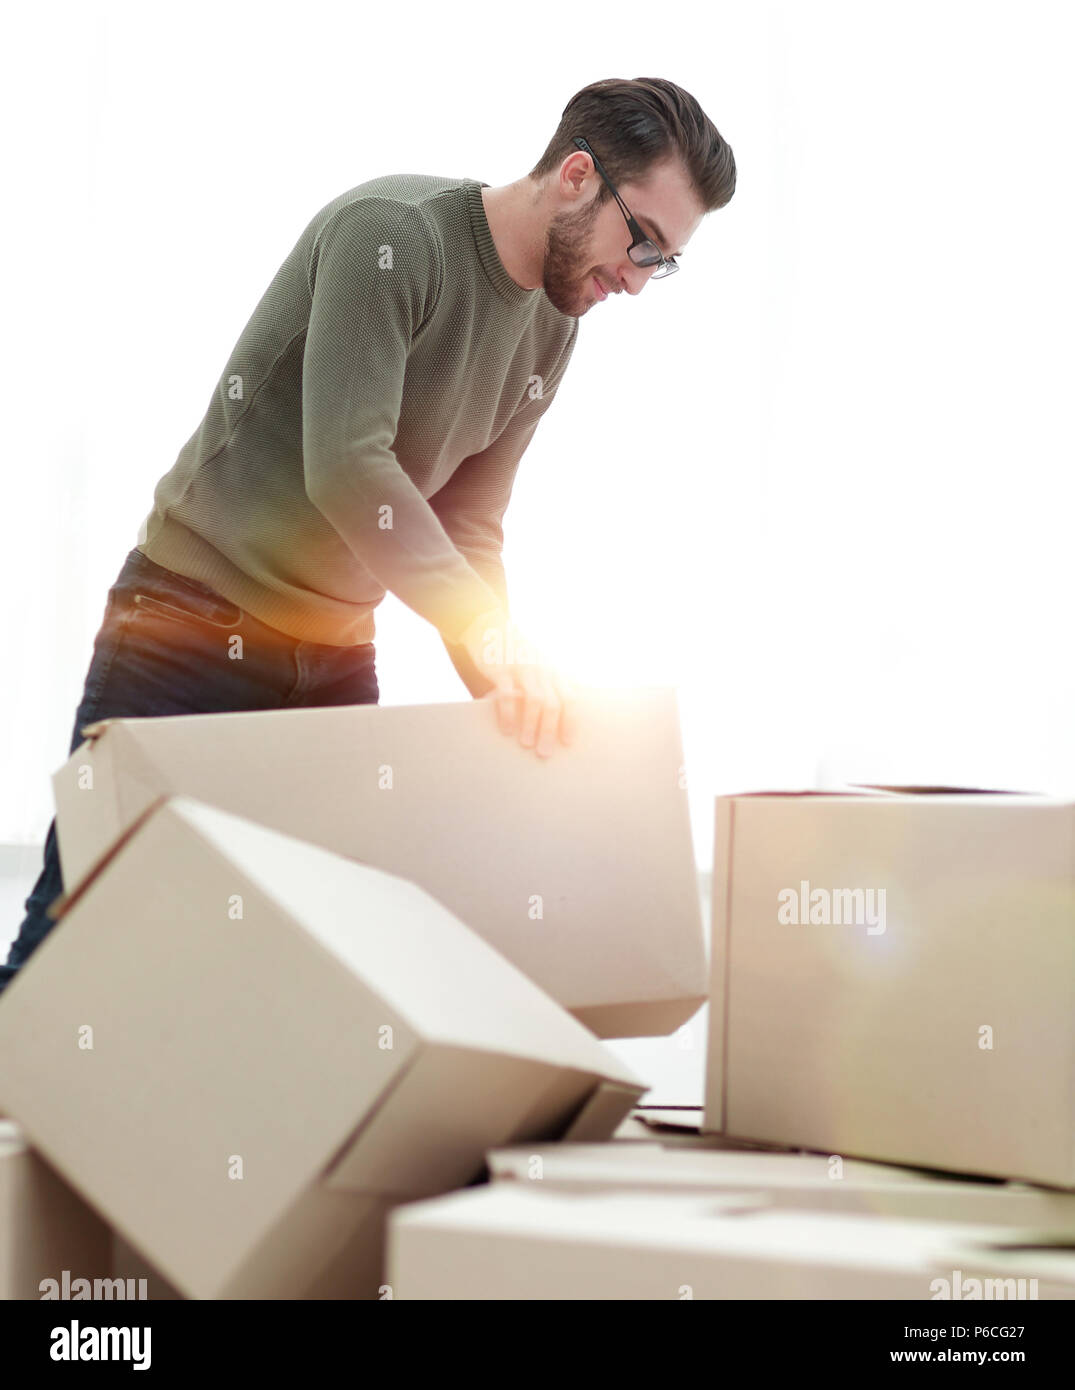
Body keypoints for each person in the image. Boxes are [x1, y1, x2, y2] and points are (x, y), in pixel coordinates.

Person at [0, 76, 736, 995]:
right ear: (577, 175)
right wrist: (490, 638)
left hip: (336, 650)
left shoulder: (555, 323)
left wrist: (511, 692)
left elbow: (470, 524)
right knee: (70, 952)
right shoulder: (392, 236)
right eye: (642, 242)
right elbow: (348, 467)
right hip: (187, 624)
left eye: (661, 262)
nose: (635, 280)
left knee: (319, 981)